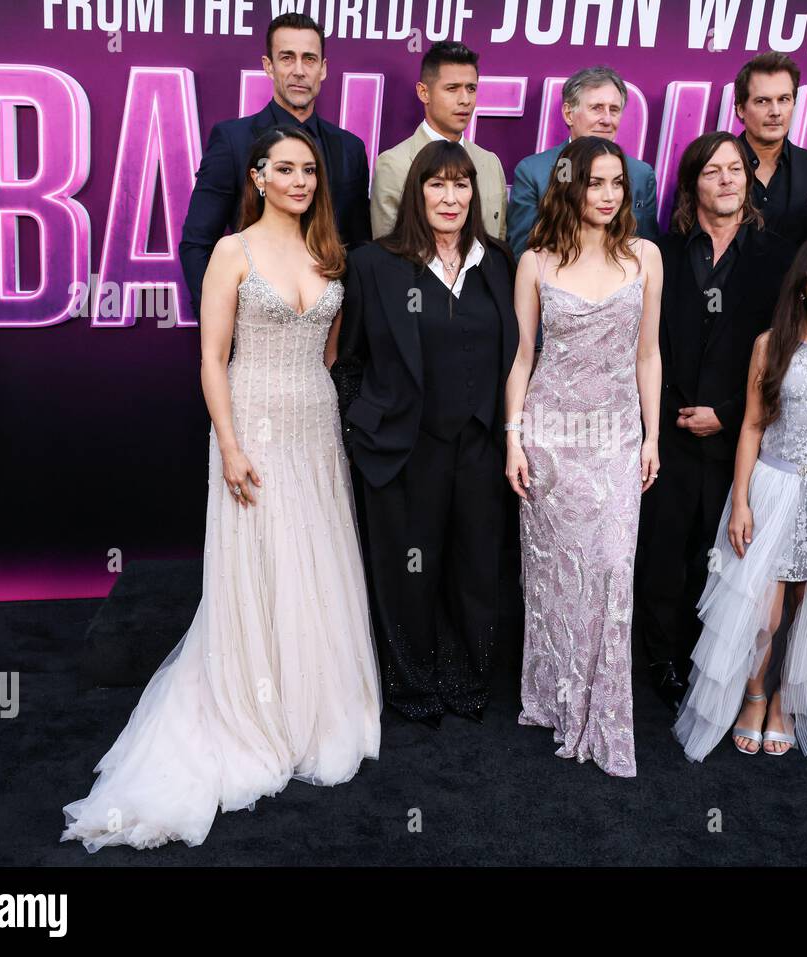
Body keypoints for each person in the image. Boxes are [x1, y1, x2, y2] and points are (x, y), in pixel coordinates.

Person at [62, 126, 381, 851]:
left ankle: (310, 708)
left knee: (314, 565)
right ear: (259, 176)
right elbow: (211, 358)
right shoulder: (231, 253)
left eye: (311, 170)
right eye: (286, 168)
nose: (301, 180)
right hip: (253, 434)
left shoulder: (328, 253)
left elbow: (329, 353)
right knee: (261, 568)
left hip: (315, 429)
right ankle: (252, 712)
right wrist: (231, 444)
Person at [674, 231, 807, 761]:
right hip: (773, 484)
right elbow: (750, 426)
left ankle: (788, 703)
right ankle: (754, 695)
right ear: (802, 285)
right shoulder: (771, 344)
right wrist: (741, 499)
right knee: (763, 614)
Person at [334, 140, 518, 727]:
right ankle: (412, 683)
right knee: (407, 572)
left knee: (476, 571)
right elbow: (348, 360)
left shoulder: (499, 262)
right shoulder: (374, 264)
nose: (450, 196)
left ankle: (468, 677)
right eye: (436, 184)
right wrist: (363, 432)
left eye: (461, 184)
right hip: (402, 450)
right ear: (415, 192)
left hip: (479, 448)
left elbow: (515, 356)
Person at [504, 135, 663, 777]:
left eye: (617, 184)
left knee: (610, 566)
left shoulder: (646, 257)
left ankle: (604, 710)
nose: (607, 196)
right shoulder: (535, 262)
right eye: (595, 183)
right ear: (570, 186)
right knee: (554, 576)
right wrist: (512, 437)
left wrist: (654, 435)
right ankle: (555, 698)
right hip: (551, 436)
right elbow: (521, 358)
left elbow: (648, 354)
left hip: (618, 435)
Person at [634, 132, 790, 714]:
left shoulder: (777, 258)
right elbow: (641, 341)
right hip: (666, 429)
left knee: (721, 553)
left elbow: (783, 352)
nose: (726, 178)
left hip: (739, 435)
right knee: (663, 553)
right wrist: (670, 413)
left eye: (736, 169)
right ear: (691, 183)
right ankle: (661, 658)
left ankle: (711, 663)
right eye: (712, 170)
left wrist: (725, 414)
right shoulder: (660, 251)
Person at [179, 12, 371, 322]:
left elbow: (360, 247)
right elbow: (197, 244)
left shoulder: (350, 148)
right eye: (287, 58)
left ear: (323, 70)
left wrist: (350, 334)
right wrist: (222, 325)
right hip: (254, 335)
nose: (298, 71)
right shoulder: (232, 140)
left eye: (309, 59)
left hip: (330, 335)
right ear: (268, 66)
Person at [507, 66, 659, 260]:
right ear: (569, 114)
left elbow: (645, 252)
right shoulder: (535, 171)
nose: (606, 119)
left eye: (614, 110)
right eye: (596, 108)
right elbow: (522, 252)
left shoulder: (640, 173)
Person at [369, 41, 507, 240]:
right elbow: (386, 255)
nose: (465, 100)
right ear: (424, 93)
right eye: (452, 88)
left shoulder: (490, 163)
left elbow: (499, 245)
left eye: (471, 88)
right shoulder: (394, 164)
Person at [732, 52, 807, 261]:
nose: (776, 111)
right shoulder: (711, 168)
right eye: (762, 101)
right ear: (741, 109)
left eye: (784, 99)